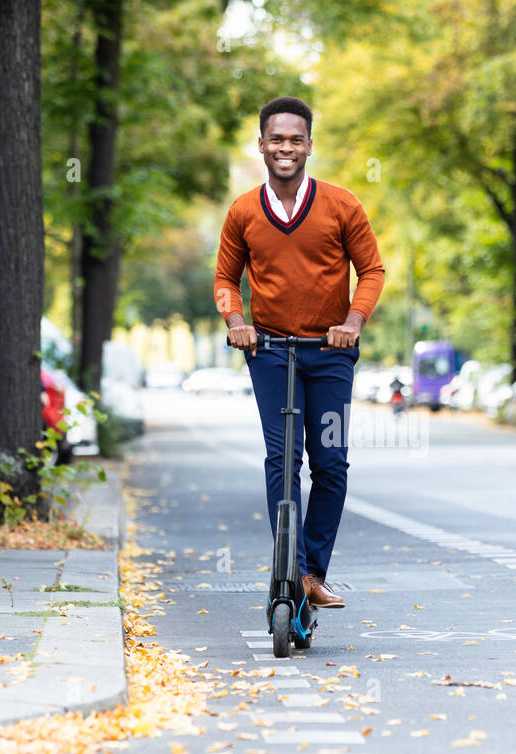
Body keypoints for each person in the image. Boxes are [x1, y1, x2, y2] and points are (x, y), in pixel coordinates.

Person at [216, 96, 385, 609]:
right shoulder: (244, 210)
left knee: (330, 462)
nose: (285, 147)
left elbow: (372, 270)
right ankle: (286, 568)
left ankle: (312, 572)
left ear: (309, 145)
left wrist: (353, 322)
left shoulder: (342, 204)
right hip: (269, 353)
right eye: (276, 139)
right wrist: (236, 321)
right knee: (281, 459)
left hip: (330, 355)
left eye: (295, 139)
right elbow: (226, 279)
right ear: (261, 145)